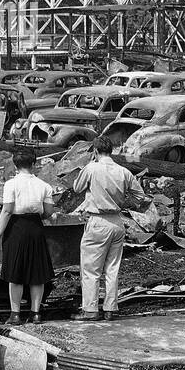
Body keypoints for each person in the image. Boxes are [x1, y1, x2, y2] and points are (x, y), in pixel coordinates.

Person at [72, 136, 147, 321]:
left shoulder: (91, 168)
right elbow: (140, 196)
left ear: (95, 152)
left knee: (91, 269)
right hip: (117, 221)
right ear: (112, 151)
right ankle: (110, 309)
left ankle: (90, 309)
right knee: (112, 269)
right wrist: (124, 202)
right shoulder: (123, 171)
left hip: (98, 221)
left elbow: (76, 188)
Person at [0, 147, 55, 325]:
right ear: (33, 164)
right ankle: (35, 313)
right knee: (37, 273)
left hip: (16, 228)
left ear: (15, 164)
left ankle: (15, 314)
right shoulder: (44, 186)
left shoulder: (11, 184)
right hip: (35, 228)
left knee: (15, 272)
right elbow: (48, 212)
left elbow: (7, 211)